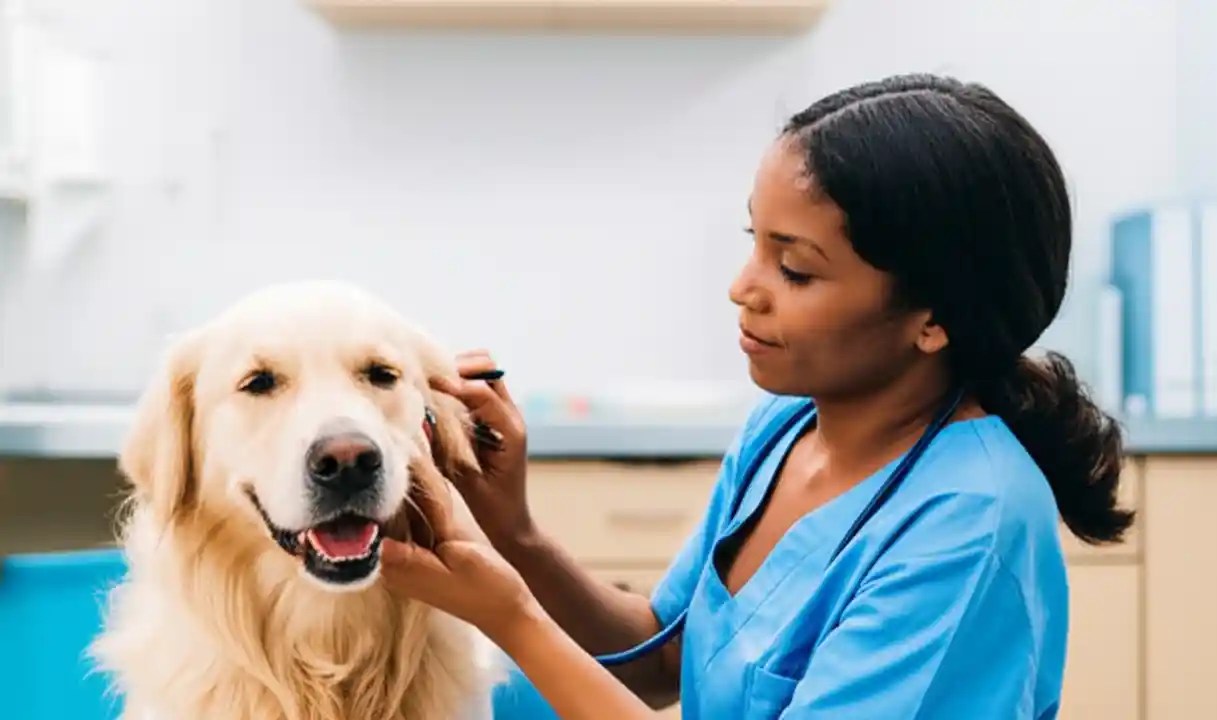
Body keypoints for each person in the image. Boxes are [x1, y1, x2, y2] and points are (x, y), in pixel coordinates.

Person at [380, 72, 1135, 719]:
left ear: (934, 318)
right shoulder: (785, 429)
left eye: (796, 269)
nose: (743, 289)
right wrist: (511, 531)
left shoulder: (971, 523)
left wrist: (508, 617)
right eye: (755, 241)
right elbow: (655, 658)